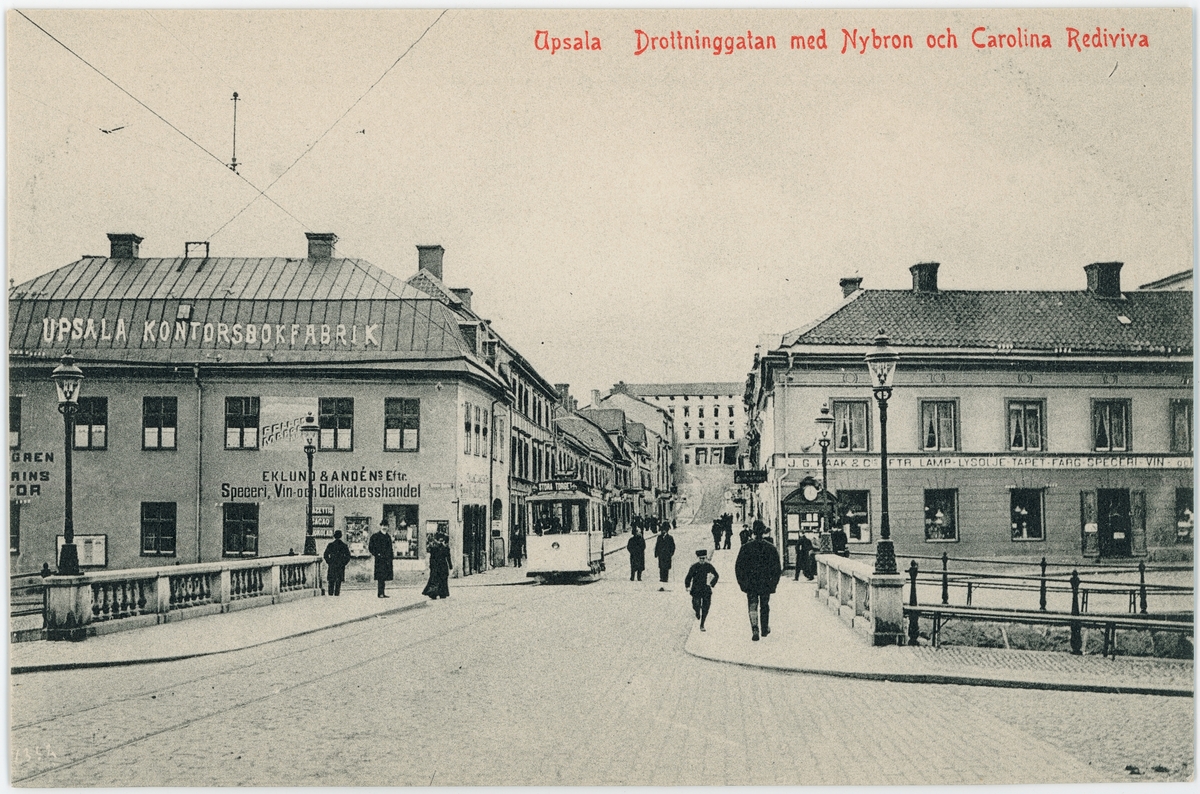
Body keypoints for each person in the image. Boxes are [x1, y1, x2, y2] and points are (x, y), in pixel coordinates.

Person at [735, 524, 782, 641]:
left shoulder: (745, 547)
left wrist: (742, 584)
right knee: (765, 605)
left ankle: (755, 628)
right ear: (764, 532)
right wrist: (773, 584)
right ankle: (764, 629)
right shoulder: (771, 548)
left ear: (753, 532)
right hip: (766, 583)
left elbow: (739, 567)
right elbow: (777, 568)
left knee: (752, 605)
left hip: (750, 584)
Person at [684, 549, 720, 631]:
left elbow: (716, 575)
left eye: (704, 558)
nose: (702, 560)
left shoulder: (709, 566)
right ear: (698, 558)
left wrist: (712, 583)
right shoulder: (694, 567)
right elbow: (688, 577)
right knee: (696, 604)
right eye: (700, 558)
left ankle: (702, 624)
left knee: (706, 607)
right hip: (696, 589)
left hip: (706, 590)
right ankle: (697, 611)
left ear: (706, 558)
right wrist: (687, 586)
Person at [368, 520, 394, 598]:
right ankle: (380, 593)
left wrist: (391, 558)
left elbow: (390, 549)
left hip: (387, 560)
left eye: (386, 526)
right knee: (380, 577)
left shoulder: (388, 537)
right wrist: (377, 554)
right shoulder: (376, 536)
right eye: (383, 526)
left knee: (384, 577)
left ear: (388, 527)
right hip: (379, 560)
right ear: (380, 526)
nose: (384, 527)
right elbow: (371, 547)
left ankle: (382, 592)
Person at [423, 531, 452, 599]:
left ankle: (434, 593)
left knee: (435, 579)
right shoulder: (444, 548)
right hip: (442, 565)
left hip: (437, 566)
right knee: (442, 580)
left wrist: (431, 566)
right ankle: (442, 593)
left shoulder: (435, 547)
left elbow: (432, 558)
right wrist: (450, 566)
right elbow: (448, 557)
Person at [323, 530, 351, 596]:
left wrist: (329, 561)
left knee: (331, 581)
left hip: (332, 565)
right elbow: (348, 556)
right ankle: (337, 594)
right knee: (338, 582)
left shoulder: (331, 545)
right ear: (341, 536)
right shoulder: (344, 545)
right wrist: (343, 563)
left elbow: (325, 555)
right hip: (340, 566)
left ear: (334, 536)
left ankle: (330, 594)